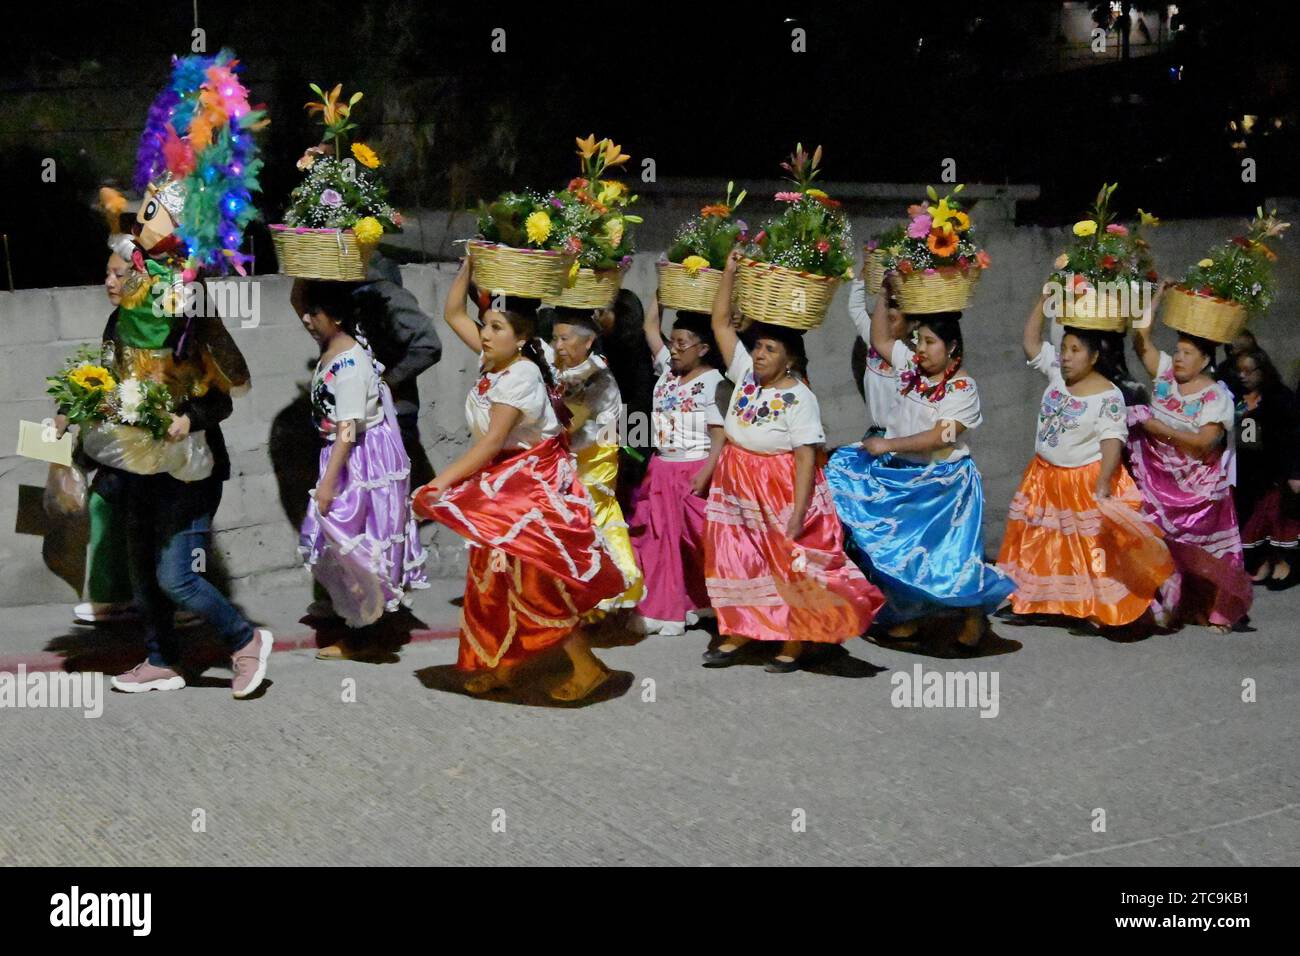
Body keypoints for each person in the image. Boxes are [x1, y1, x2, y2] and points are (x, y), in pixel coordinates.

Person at [412, 260, 627, 702]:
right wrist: (470, 267)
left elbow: (491, 443)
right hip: (505, 485)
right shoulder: (497, 357)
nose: (485, 334)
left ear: (523, 337)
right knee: (493, 578)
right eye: (485, 325)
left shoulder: (522, 375)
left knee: (534, 581)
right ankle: (504, 664)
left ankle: (588, 667)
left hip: (530, 487)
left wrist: (436, 485)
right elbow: (454, 313)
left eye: (496, 328)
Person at [701, 251, 883, 672]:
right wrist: (729, 272)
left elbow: (805, 458)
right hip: (736, 479)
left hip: (778, 484)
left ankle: (794, 640)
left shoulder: (800, 398)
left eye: (770, 349)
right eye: (759, 347)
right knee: (737, 557)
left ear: (791, 360)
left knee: (787, 561)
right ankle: (739, 630)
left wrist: (800, 511)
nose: (760, 354)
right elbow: (720, 324)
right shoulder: (745, 373)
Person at [825, 285, 1014, 651]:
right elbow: (879, 337)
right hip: (902, 476)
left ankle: (973, 613)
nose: (921, 349)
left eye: (930, 342)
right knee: (898, 550)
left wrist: (888, 444)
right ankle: (911, 614)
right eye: (919, 341)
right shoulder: (909, 367)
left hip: (944, 488)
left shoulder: (962, 388)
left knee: (950, 559)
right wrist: (884, 293)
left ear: (952, 348)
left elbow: (943, 435)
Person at [996, 296, 1171, 628]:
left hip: (1083, 480)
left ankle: (1094, 609)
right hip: (1044, 477)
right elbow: (1031, 342)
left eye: (1075, 350)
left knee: (1087, 550)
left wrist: (1104, 481)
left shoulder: (1108, 396)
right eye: (1064, 349)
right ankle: (1036, 604)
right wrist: (1044, 298)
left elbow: (1111, 440)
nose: (1065, 357)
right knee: (1041, 544)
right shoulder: (1057, 377)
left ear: (1093, 357)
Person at [296, 280, 428, 645]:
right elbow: (301, 303)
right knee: (340, 540)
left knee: (353, 540)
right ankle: (351, 610)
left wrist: (327, 485)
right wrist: (304, 271)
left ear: (334, 318)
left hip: (357, 458)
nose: (306, 319)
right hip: (341, 451)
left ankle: (365, 630)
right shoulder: (332, 342)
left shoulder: (350, 365)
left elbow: (347, 430)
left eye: (314, 314)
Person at [1128, 312, 1252, 632]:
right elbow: (1140, 339)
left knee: (1204, 550)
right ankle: (1158, 600)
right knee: (1147, 535)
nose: (1179, 358)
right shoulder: (1166, 375)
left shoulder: (1215, 396)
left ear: (1205, 359)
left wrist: (1159, 428)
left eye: (1187, 354)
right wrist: (1156, 296)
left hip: (1195, 481)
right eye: (1178, 351)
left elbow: (1202, 443)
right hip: (1156, 470)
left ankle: (1216, 608)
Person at [291, 251, 441, 489]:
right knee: (357, 495)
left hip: (390, 417)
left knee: (380, 495)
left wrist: (385, 381)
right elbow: (303, 307)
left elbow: (429, 345)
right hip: (353, 423)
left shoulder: (387, 296)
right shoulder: (340, 300)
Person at [627, 296, 726, 636]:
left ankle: (714, 601)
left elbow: (719, 434)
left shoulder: (713, 382)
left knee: (699, 541)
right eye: (673, 342)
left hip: (694, 469)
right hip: (662, 468)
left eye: (682, 344)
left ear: (703, 348)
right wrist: (661, 293)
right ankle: (665, 611)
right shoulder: (668, 371)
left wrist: (706, 473)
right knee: (659, 541)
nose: (675, 349)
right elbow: (649, 327)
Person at [58, 232, 137, 625]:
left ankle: (171, 603)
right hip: (123, 442)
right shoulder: (117, 321)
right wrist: (67, 409)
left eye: (118, 275)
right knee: (106, 504)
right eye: (108, 274)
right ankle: (114, 595)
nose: (109, 282)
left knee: (126, 511)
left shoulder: (150, 324)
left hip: (150, 443)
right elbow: (105, 374)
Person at [548, 308, 645, 615]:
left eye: (564, 339)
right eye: (555, 338)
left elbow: (569, 422)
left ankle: (603, 592)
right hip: (572, 455)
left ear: (587, 342)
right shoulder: (561, 369)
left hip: (596, 458)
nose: (558, 345)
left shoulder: (597, 377)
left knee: (591, 520)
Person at [1231, 347, 1300, 589]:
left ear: (1263, 370)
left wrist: (1294, 472)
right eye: (1239, 371)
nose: (1243, 376)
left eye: (1249, 371)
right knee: (1253, 523)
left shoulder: (1280, 398)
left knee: (1276, 519)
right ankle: (1262, 561)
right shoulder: (1235, 396)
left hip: (1274, 472)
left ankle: (1283, 563)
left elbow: (1293, 437)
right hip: (1245, 471)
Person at [594, 289, 656, 503]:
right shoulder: (603, 342)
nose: (598, 317)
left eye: (603, 312)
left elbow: (640, 396)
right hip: (610, 421)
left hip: (632, 425)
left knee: (627, 485)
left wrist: (624, 435)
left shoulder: (636, 346)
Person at [846, 278, 914, 438]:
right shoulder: (873, 341)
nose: (884, 325)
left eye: (892, 320)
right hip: (877, 434)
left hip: (904, 437)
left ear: (911, 324)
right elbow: (856, 308)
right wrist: (862, 278)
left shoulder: (913, 353)